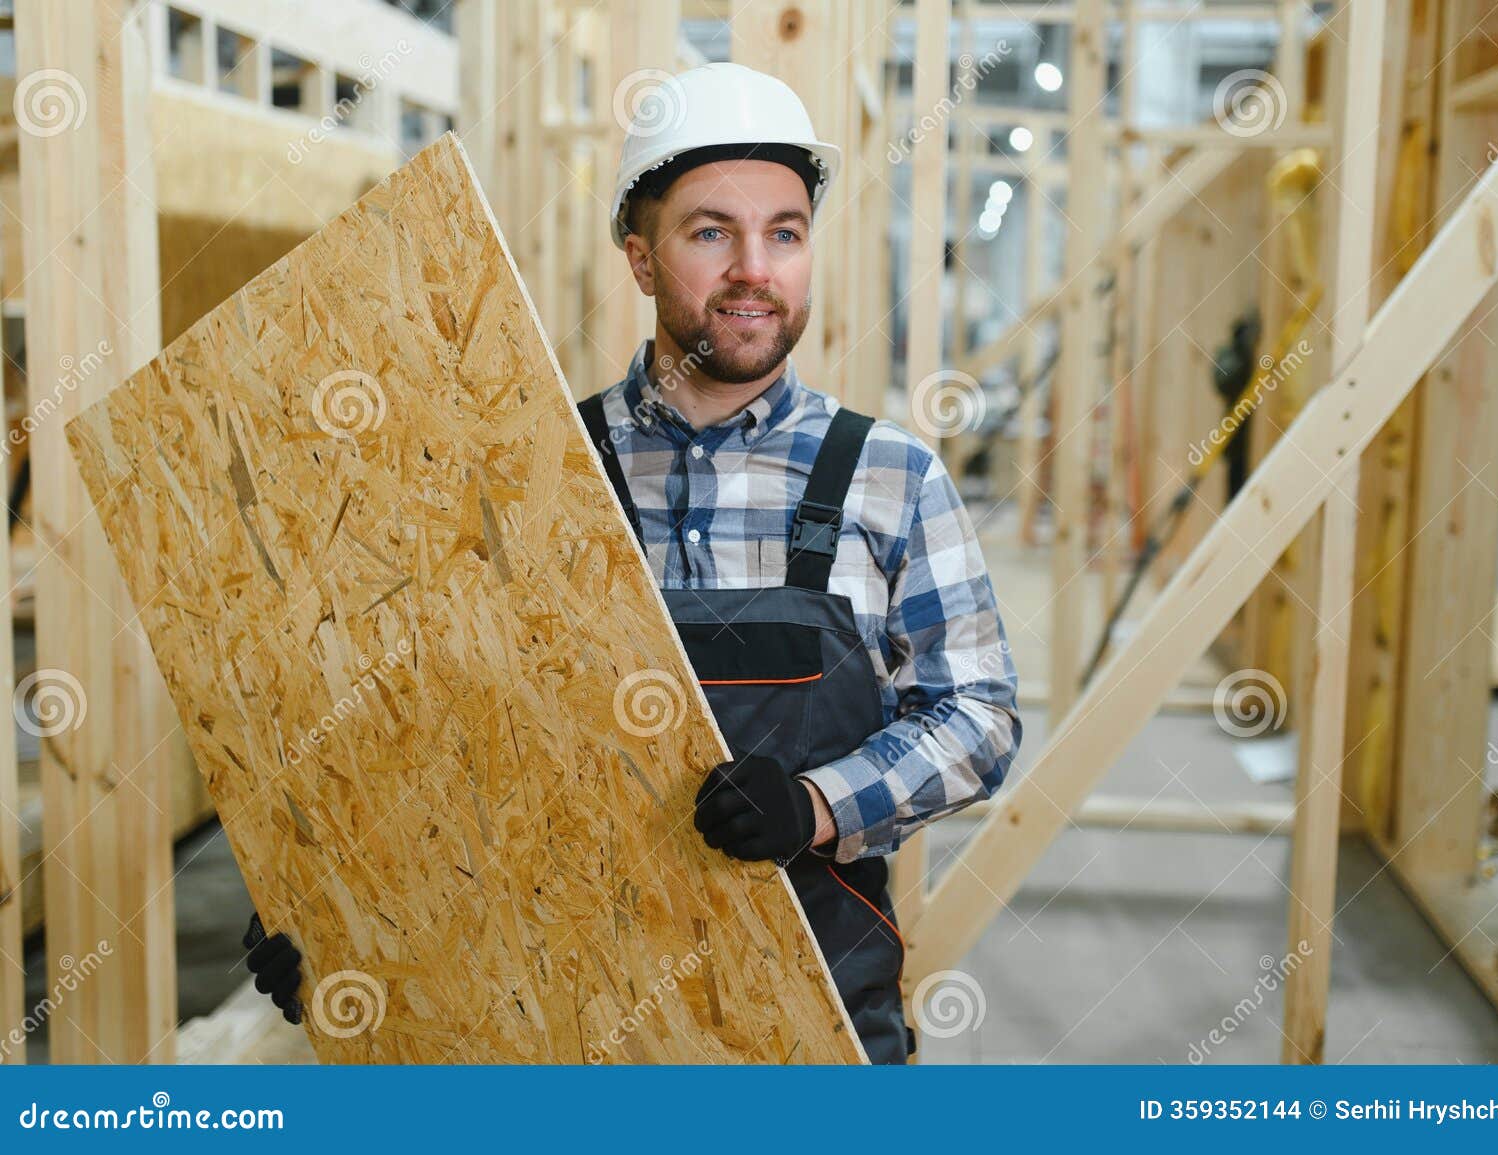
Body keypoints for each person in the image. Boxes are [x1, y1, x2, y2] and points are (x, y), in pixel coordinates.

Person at [246, 62, 1021, 1065]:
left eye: (783, 233)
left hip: (812, 1027)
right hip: (569, 1027)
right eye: (710, 232)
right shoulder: (530, 474)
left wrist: (820, 804)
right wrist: (347, 919)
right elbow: (440, 731)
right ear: (641, 258)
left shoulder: (889, 476)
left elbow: (978, 716)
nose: (754, 268)